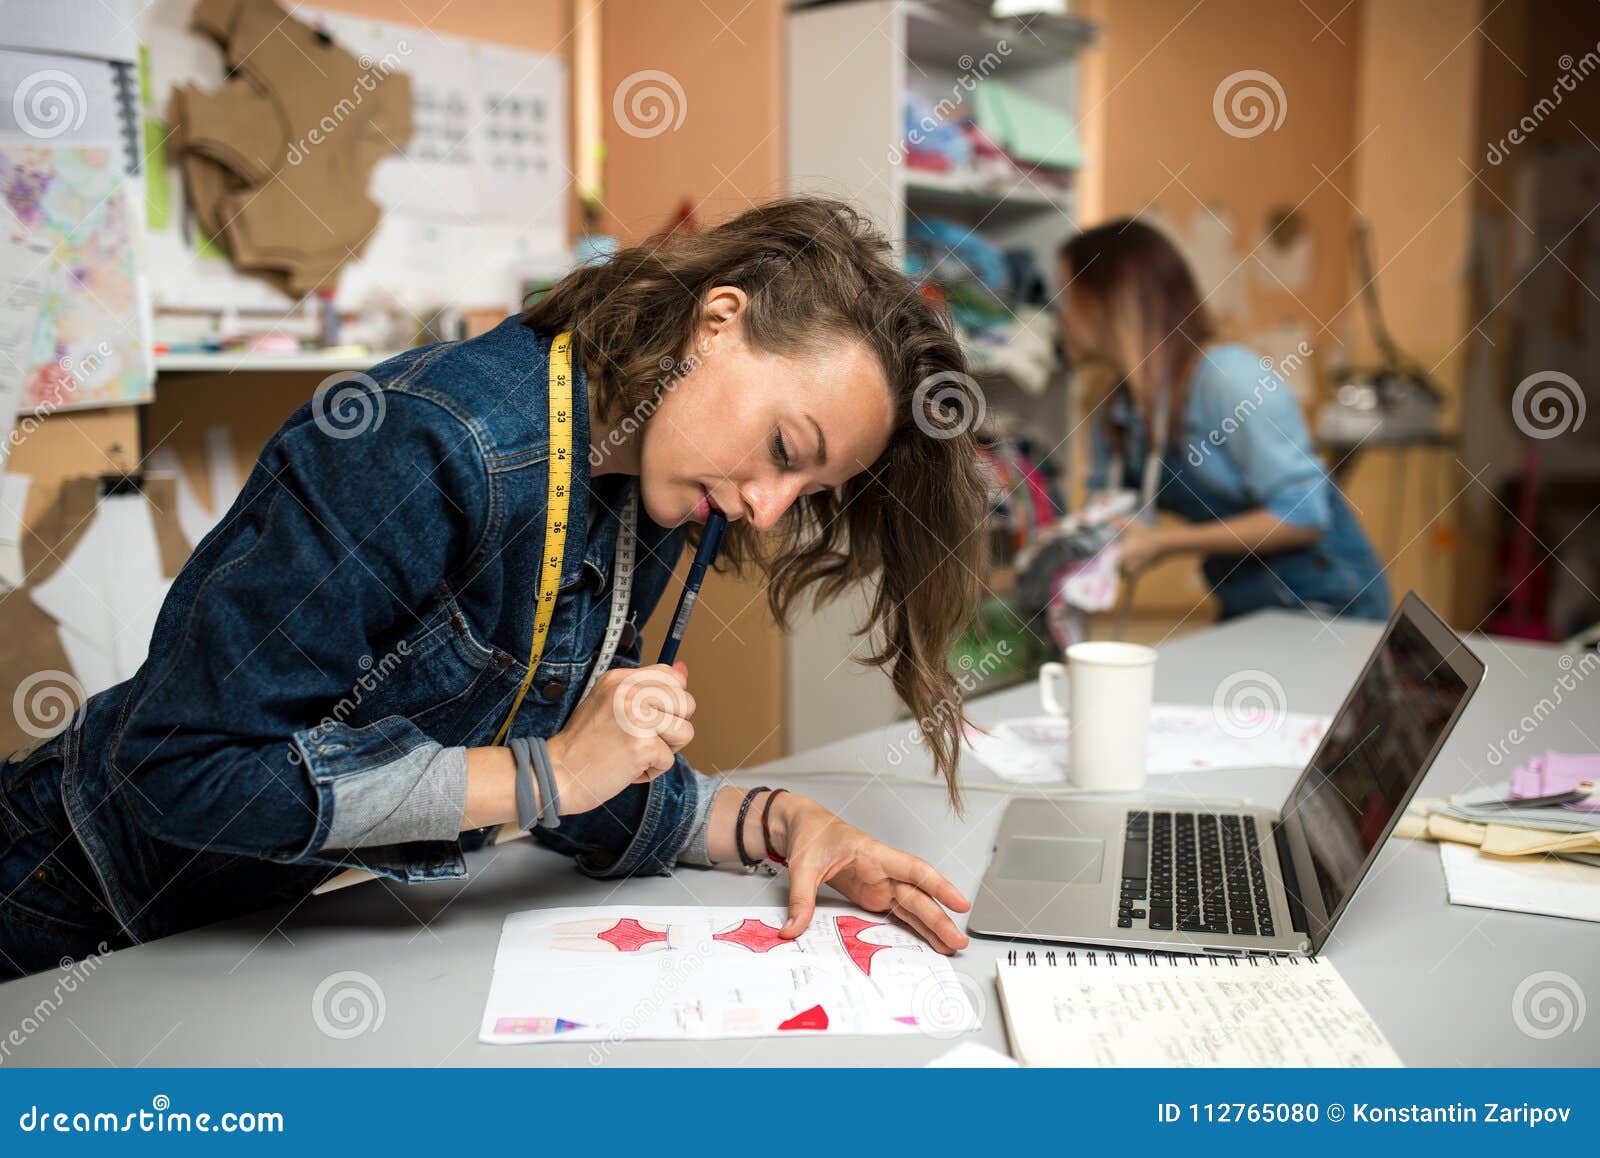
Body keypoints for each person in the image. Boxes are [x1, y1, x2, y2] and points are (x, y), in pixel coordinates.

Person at [0, 197, 990, 980]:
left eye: (805, 491)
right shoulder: (424, 442)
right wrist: (546, 773)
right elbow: (180, 771)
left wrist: (780, 824)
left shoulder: (636, 482)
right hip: (71, 901)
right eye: (784, 450)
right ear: (718, 321)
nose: (769, 511)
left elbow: (578, 782)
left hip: (254, 933)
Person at [1058, 220, 1389, 622]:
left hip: (1330, 603)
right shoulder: (1117, 410)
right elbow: (1118, 515)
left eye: (1068, 295)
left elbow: (1305, 515)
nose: (1061, 313)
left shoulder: (1229, 379)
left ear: (1107, 301)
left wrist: (1167, 543)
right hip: (1247, 604)